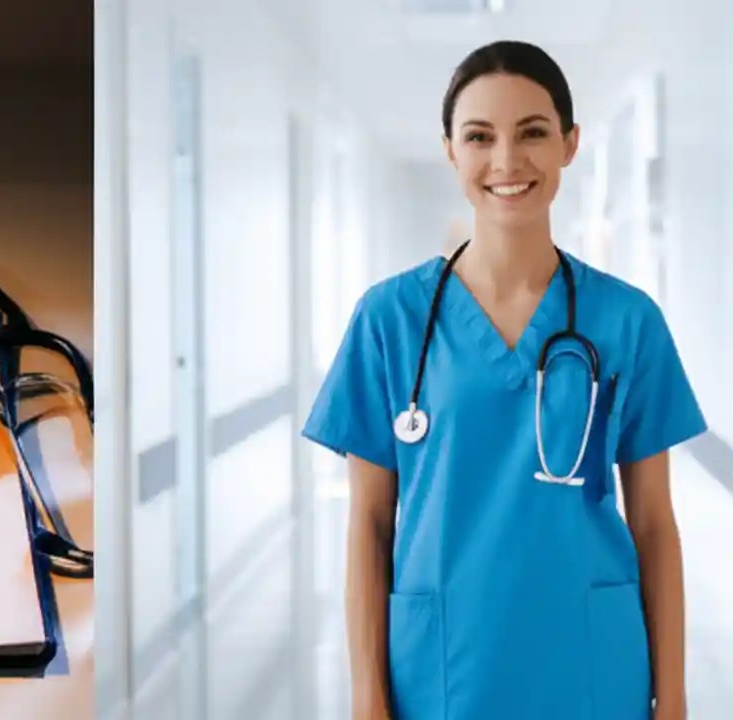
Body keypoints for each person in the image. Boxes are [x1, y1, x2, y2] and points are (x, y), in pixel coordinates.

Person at [301, 40, 705, 720]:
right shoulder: (390, 319)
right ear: (451, 151)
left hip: (591, 667)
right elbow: (370, 523)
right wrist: (367, 698)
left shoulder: (627, 320)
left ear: (570, 144)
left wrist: (675, 699)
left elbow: (656, 526)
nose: (507, 161)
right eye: (480, 137)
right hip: (442, 670)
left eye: (533, 133)